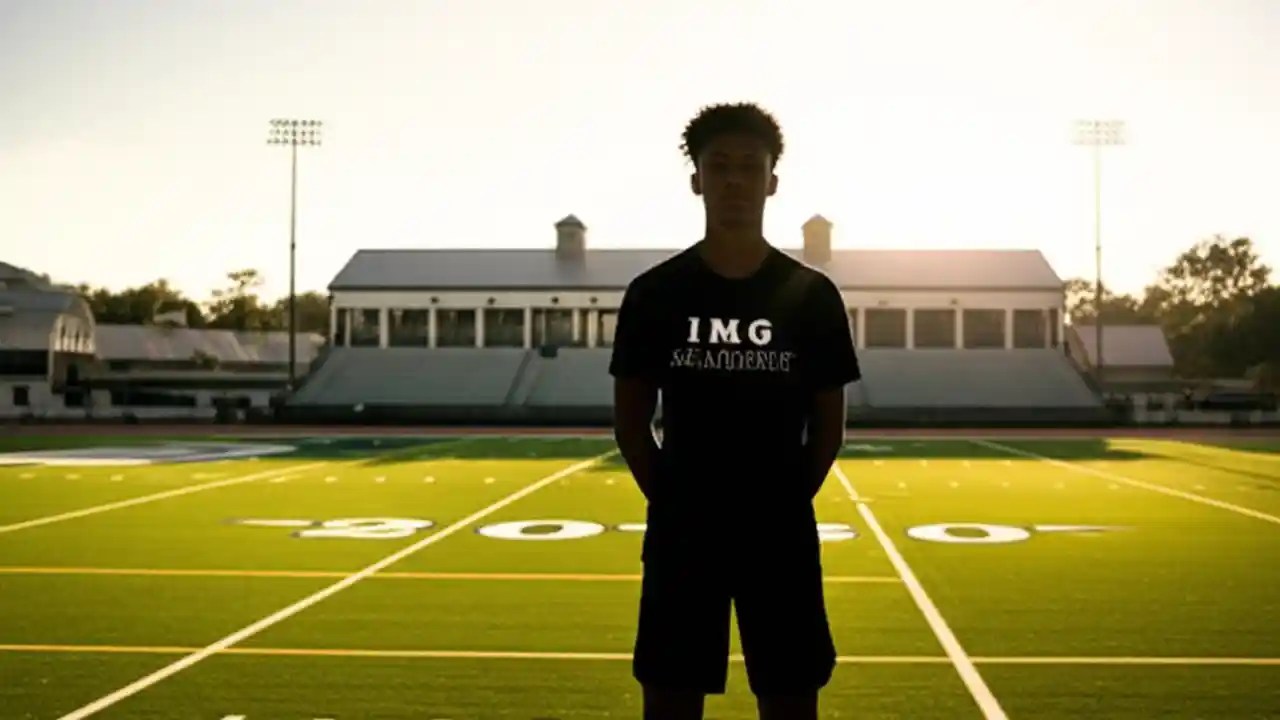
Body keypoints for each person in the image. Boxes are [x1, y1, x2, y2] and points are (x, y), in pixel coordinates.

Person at [608, 102, 861, 720]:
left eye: (750, 167)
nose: (734, 181)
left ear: (772, 179)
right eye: (718, 166)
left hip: (779, 533)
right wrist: (672, 498)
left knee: (791, 695)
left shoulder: (812, 296)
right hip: (683, 532)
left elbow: (828, 425)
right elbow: (631, 422)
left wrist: (784, 498)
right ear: (696, 177)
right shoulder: (655, 293)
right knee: (670, 697)